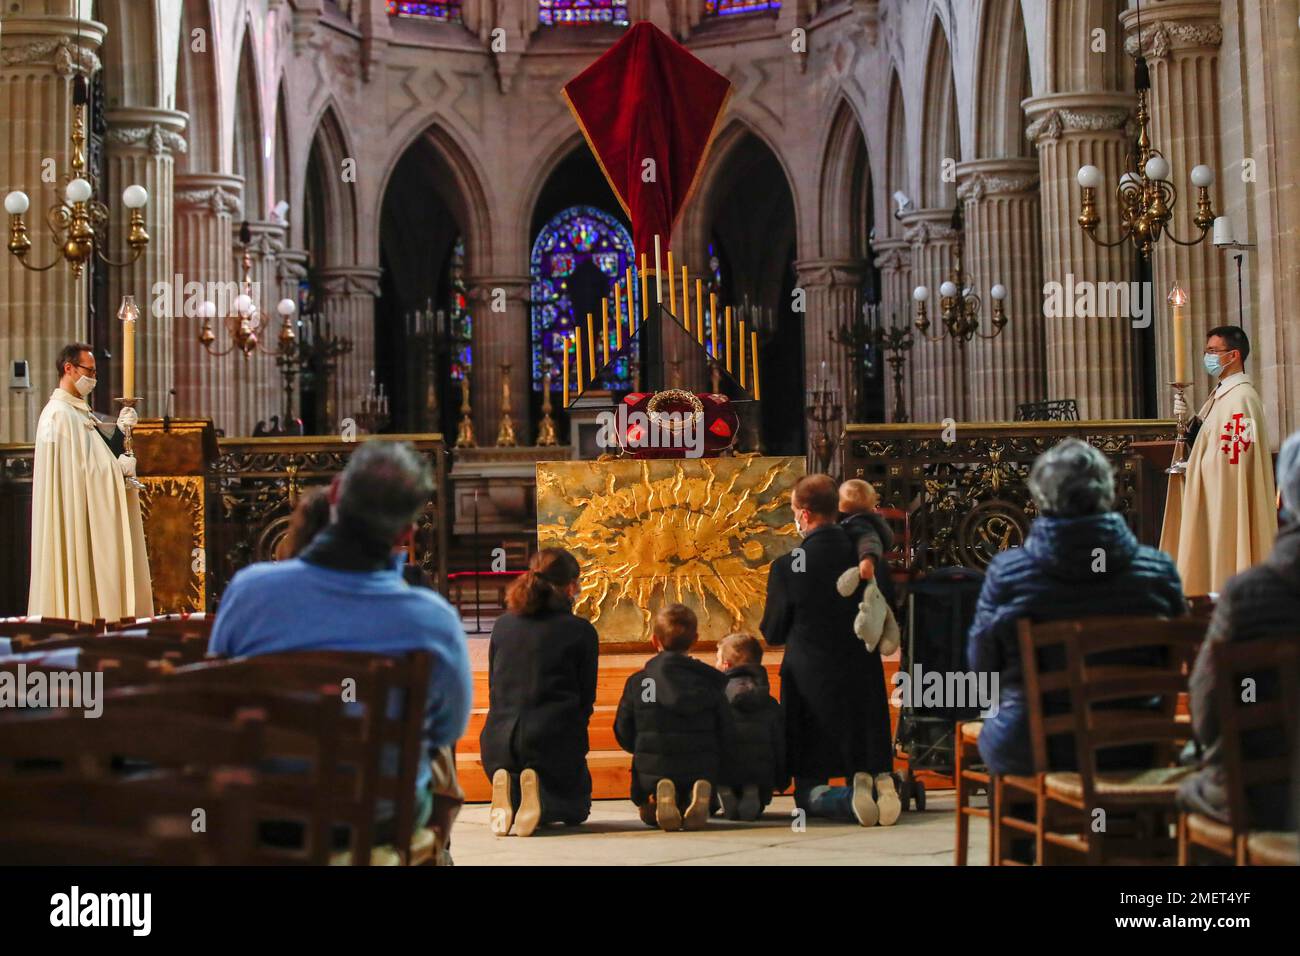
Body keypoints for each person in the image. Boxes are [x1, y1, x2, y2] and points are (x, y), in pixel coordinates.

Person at [209, 441, 472, 838]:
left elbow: (218, 695)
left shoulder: (250, 592)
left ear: (334, 493)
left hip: (267, 814)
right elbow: (446, 730)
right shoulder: (432, 621)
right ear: (406, 531)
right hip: (373, 821)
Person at [968, 439, 1187, 776]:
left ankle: (1029, 825)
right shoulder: (1158, 571)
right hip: (1135, 745)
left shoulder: (1008, 573)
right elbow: (1180, 655)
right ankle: (1132, 824)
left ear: (1041, 498)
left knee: (1003, 732)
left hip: (1037, 749)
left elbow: (983, 666)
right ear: (1109, 492)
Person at [1179, 431, 1300, 829]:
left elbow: (1208, 704)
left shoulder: (1249, 595)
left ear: (1284, 503)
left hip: (1270, 796)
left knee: (1189, 787)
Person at [760, 474, 897, 827]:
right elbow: (888, 607)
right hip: (861, 678)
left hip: (811, 683)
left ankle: (844, 799)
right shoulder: (866, 553)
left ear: (803, 515)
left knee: (806, 792)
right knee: (865, 754)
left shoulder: (789, 564)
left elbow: (773, 632)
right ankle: (875, 785)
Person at [28, 343, 152, 623]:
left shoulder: (79, 412)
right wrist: (116, 469)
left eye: (95, 372)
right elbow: (77, 476)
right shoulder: (59, 416)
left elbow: (91, 458)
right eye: (89, 371)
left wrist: (121, 434)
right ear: (68, 368)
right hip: (72, 519)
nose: (94, 378)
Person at [481, 547, 598, 837]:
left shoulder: (502, 625)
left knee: (524, 764)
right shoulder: (580, 631)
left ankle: (510, 783)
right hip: (551, 738)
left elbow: (494, 685)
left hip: (496, 742)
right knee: (577, 808)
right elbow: (585, 698)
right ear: (571, 586)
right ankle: (541, 799)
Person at [1161, 326, 1277, 595]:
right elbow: (1208, 439)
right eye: (1206, 351)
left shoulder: (1242, 399)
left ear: (1234, 355)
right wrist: (1190, 420)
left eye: (1213, 351)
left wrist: (1195, 466)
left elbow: (1236, 458)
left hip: (1226, 498)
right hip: (1216, 494)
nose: (1207, 357)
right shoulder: (1223, 394)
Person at [614, 603, 733, 831]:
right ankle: (694, 793)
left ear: (654, 640)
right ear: (695, 640)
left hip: (653, 766)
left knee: (648, 816)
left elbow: (623, 730)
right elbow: (725, 729)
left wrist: (640, 749)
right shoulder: (709, 682)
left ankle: (658, 797)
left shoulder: (641, 682)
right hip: (701, 764)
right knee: (698, 780)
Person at [713, 632, 785, 820]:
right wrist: (781, 778)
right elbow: (780, 742)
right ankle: (753, 791)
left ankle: (724, 789)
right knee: (757, 778)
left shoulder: (717, 698)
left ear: (726, 666)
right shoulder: (768, 700)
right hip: (760, 771)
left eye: (718, 660)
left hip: (726, 767)